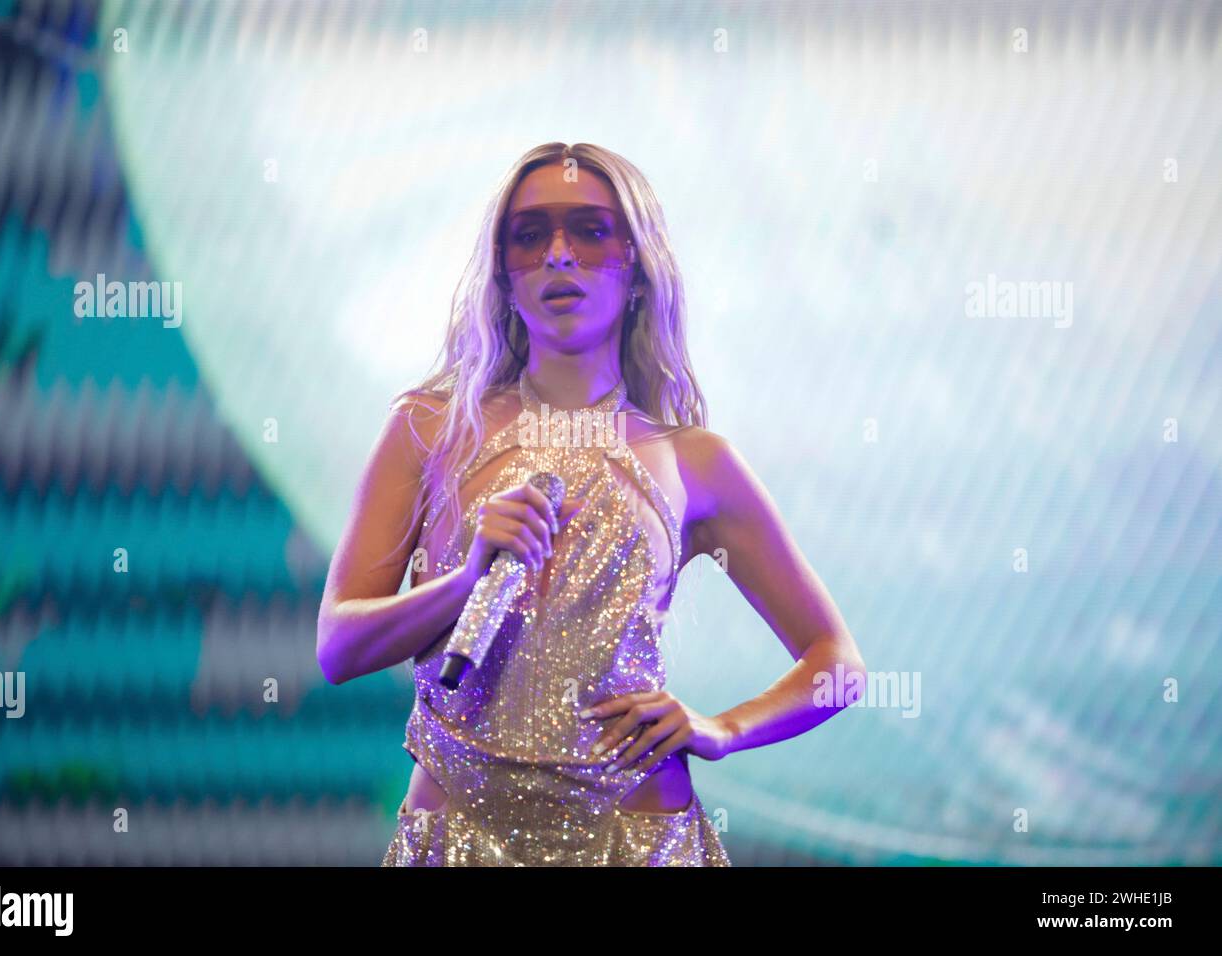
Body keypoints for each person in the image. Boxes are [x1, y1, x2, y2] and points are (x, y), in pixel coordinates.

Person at [317, 142, 866, 866]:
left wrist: (722, 730)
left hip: (636, 837)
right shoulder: (430, 428)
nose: (559, 254)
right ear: (503, 275)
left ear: (638, 265)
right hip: (459, 835)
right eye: (529, 234)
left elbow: (837, 664)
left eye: (590, 229)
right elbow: (339, 647)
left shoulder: (693, 459)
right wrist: (465, 580)